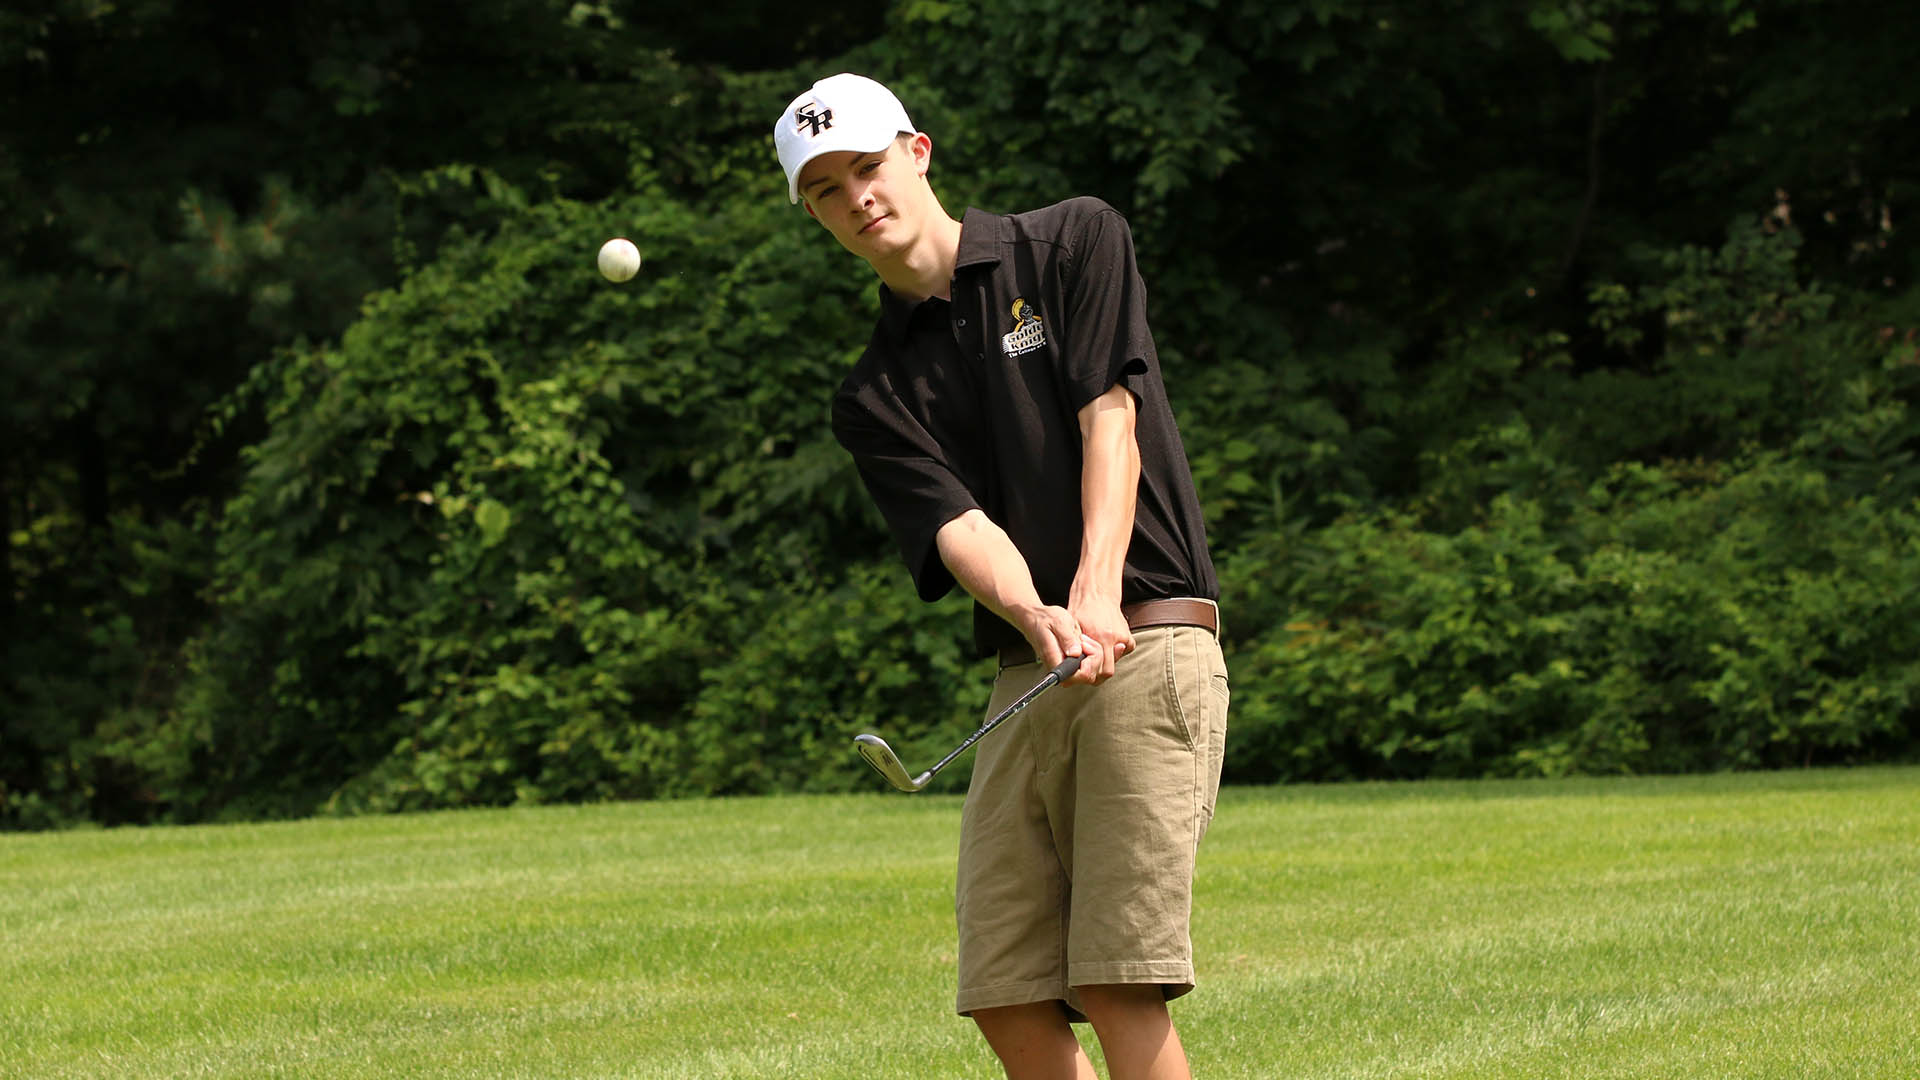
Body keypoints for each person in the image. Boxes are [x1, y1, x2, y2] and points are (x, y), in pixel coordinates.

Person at [773, 73, 1229, 1080]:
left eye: (868, 168)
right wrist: (1037, 611)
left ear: (918, 151)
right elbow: (958, 525)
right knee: (1007, 992)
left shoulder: (1068, 242)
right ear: (811, 213)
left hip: (1147, 636)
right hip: (1031, 670)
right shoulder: (873, 393)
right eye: (826, 191)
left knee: (1116, 980)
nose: (858, 200)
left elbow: (1110, 416)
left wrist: (1097, 588)